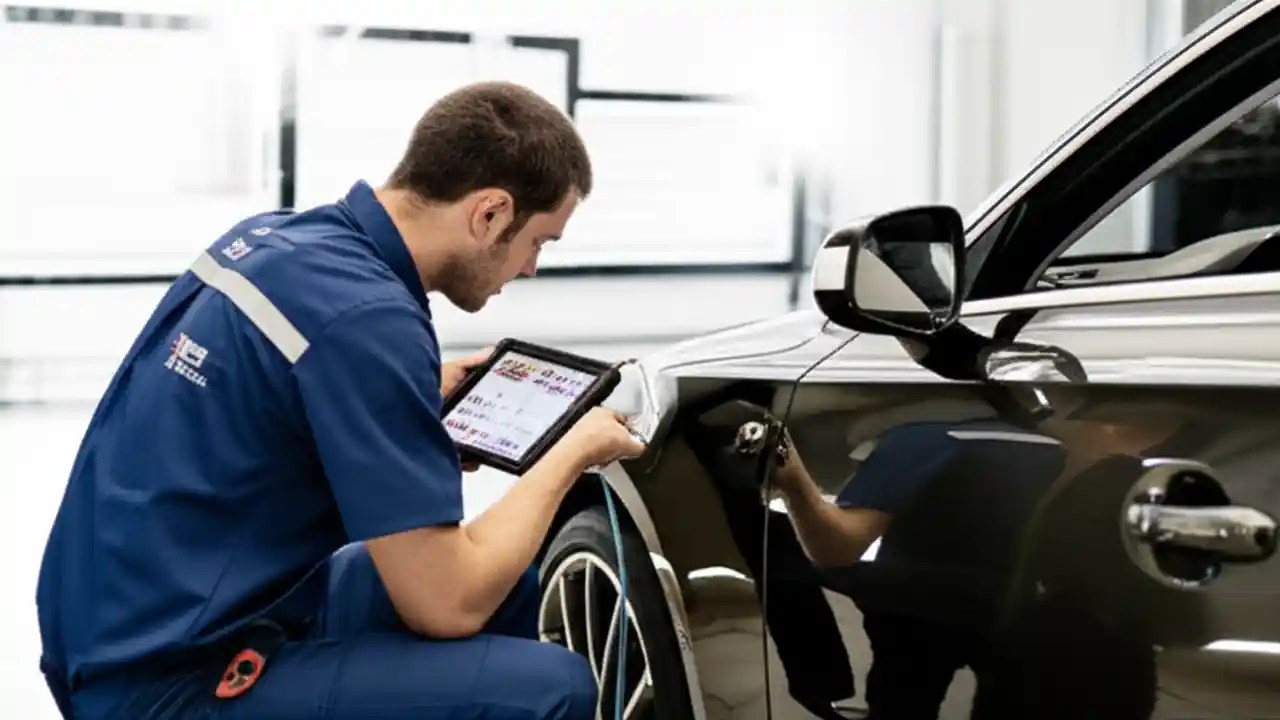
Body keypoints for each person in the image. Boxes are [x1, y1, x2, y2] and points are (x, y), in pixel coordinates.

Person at [35, 81, 644, 720]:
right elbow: (447, 603)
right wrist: (572, 452)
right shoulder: (370, 321)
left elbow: (281, 392)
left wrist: (409, 397)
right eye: (538, 242)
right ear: (489, 213)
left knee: (513, 585)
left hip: (121, 622)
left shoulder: (279, 239)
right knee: (555, 688)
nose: (529, 269)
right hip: (164, 682)